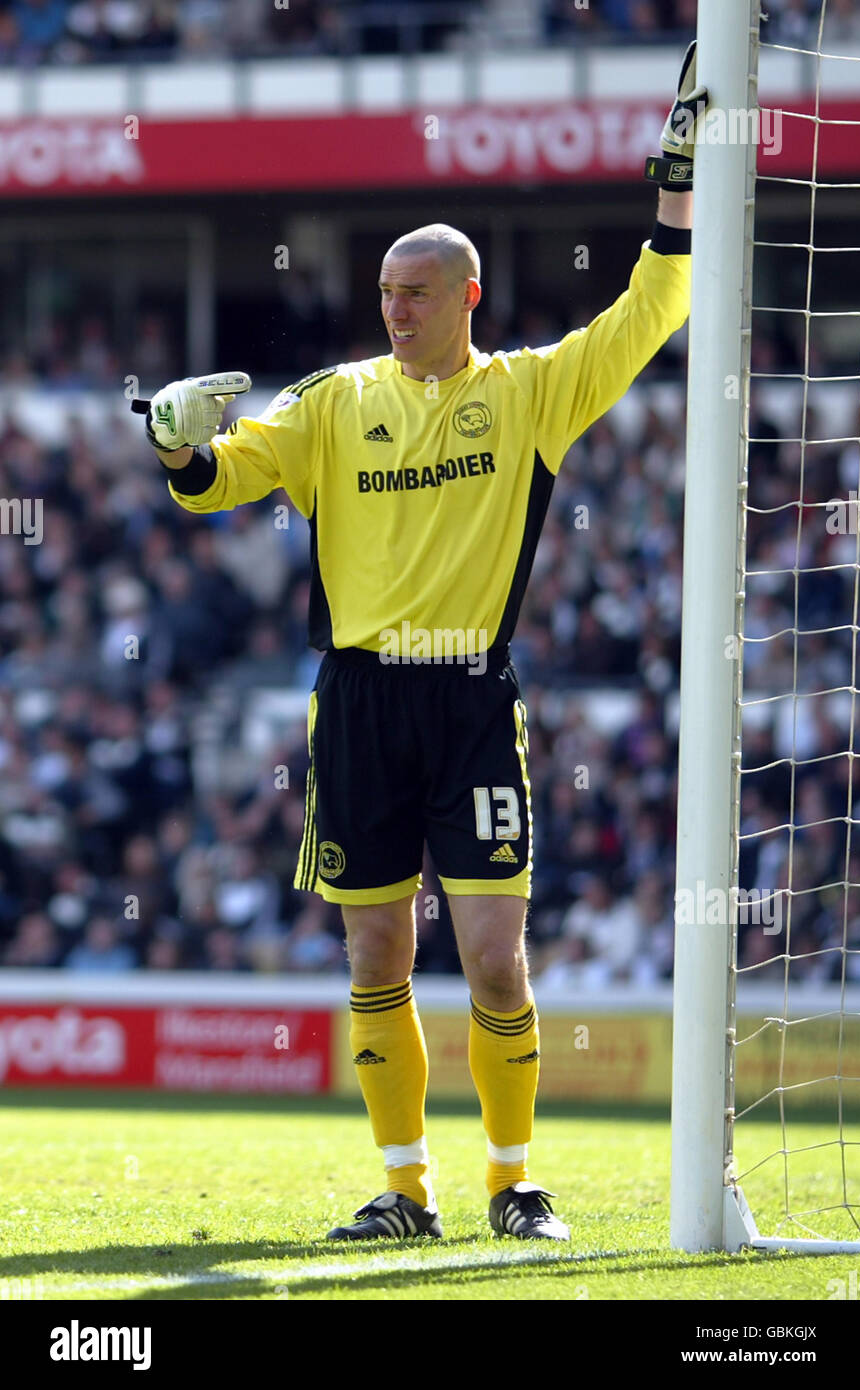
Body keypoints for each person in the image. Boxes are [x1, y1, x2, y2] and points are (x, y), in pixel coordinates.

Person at [136, 47, 703, 1245]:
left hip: (468, 699)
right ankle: (405, 1189)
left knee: (496, 962)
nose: (392, 308)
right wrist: (182, 449)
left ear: (465, 298)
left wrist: (674, 185)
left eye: (415, 291)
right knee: (376, 947)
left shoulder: (531, 392)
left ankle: (514, 1184)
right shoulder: (335, 401)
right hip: (354, 701)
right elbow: (224, 479)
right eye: (385, 290)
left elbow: (652, 306)